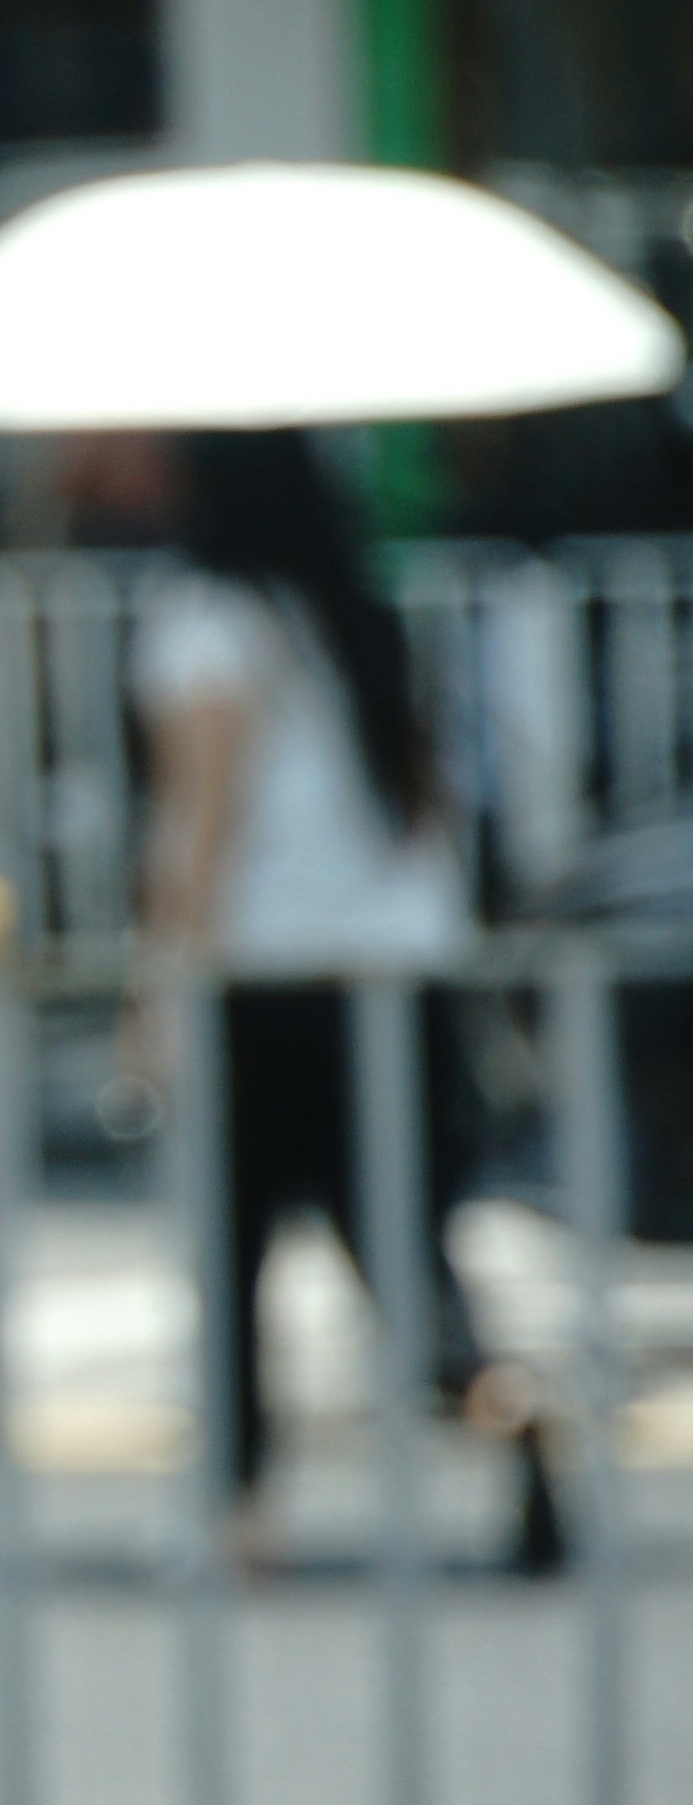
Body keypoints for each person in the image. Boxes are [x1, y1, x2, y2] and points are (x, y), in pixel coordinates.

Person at [122, 421, 563, 1577]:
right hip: (397, 976)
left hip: (267, 977)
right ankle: (509, 1408)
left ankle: (240, 1510)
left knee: (236, 1243)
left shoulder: (205, 621)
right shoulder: (359, 615)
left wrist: (157, 993)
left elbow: (198, 827)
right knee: (403, 1244)